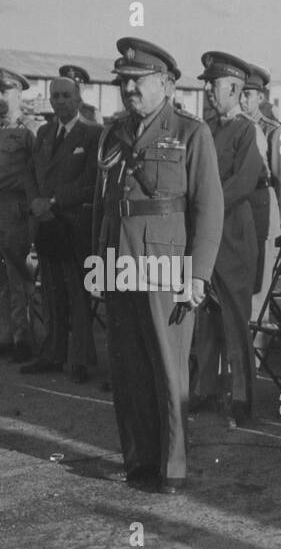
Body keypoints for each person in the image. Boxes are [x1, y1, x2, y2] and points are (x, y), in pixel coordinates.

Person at [93, 37, 223, 492]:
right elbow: (103, 204)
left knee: (168, 369)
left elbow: (209, 209)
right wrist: (98, 262)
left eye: (138, 80)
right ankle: (139, 459)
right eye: (124, 81)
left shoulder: (191, 133)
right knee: (127, 369)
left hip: (166, 266)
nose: (129, 89)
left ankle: (173, 467)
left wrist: (198, 276)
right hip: (119, 261)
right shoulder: (114, 133)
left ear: (167, 85)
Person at [190, 51, 264, 425]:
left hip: (233, 235)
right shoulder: (206, 128)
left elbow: (244, 182)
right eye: (205, 85)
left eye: (213, 85)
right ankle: (204, 389)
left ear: (234, 88)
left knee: (235, 321)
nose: (207, 92)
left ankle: (241, 398)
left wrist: (206, 207)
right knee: (205, 317)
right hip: (206, 237)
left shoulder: (247, 130)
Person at [24, 74, 101, 380]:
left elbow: (91, 181)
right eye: (55, 96)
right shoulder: (43, 133)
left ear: (78, 99)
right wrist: (36, 203)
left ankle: (80, 359)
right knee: (52, 291)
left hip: (73, 224)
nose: (60, 102)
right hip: (45, 222)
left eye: (66, 96)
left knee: (77, 293)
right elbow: (29, 173)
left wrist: (54, 201)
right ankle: (53, 352)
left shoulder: (92, 133)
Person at [0, 67, 37, 362]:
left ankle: (22, 339)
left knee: (18, 276)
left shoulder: (28, 129)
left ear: (18, 93)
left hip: (14, 208)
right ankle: (1, 336)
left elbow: (37, 173)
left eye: (3, 91)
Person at [241, 62, 281, 329]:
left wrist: (275, 222)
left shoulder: (275, 132)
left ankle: (255, 364)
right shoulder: (225, 128)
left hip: (261, 222)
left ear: (260, 98)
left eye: (247, 94)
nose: (241, 99)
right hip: (233, 225)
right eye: (237, 92)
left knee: (255, 300)